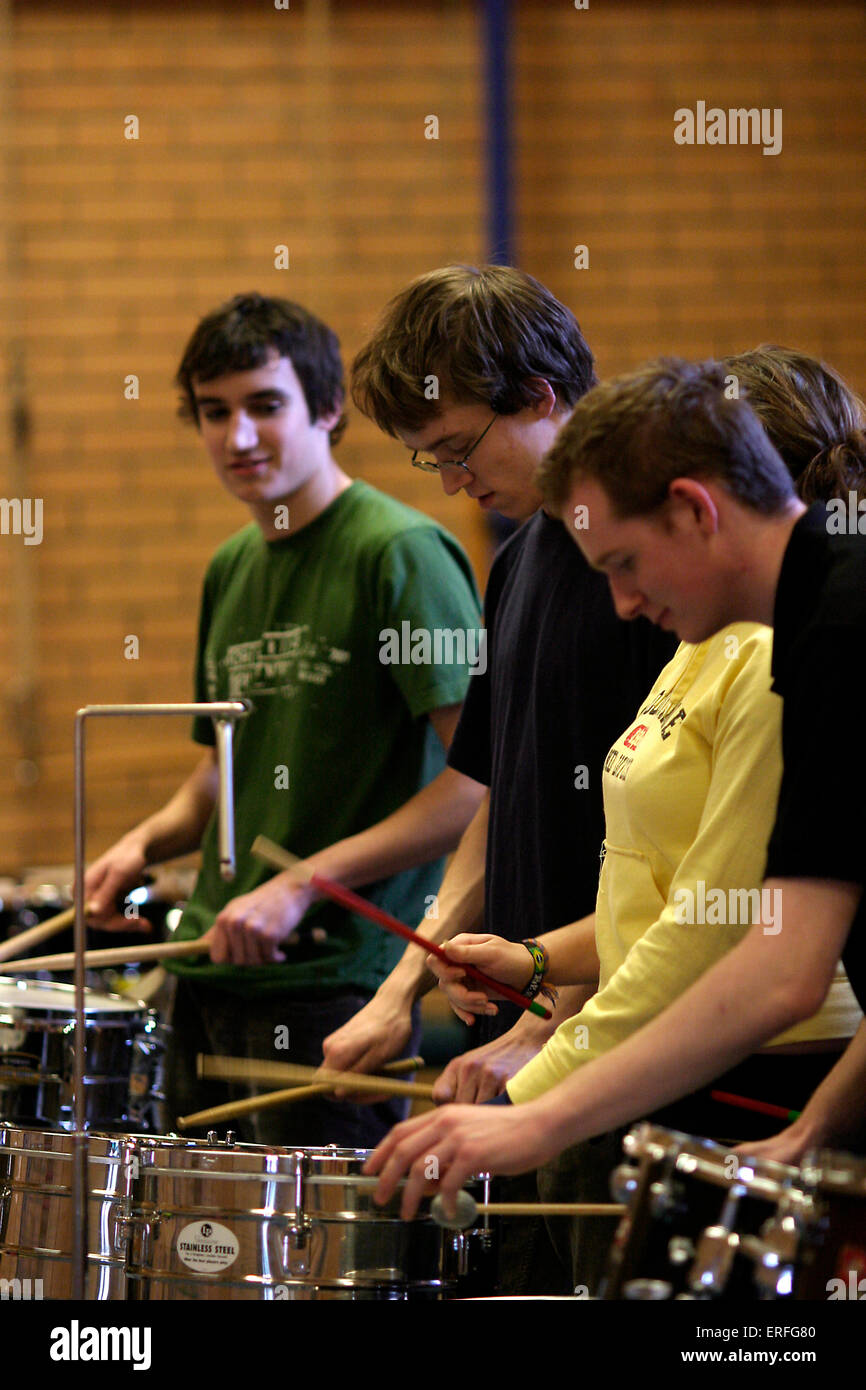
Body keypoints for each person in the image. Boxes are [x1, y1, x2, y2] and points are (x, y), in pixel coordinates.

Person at [365, 353, 866, 1223]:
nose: (625, 603)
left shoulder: (840, 628)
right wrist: (818, 1126)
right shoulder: (810, 620)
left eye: (626, 563)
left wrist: (544, 1110)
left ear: (694, 510)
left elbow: (780, 973)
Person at [83, 291, 484, 1147]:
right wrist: (143, 844)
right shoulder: (231, 565)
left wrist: (303, 882)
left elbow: (476, 784)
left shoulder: (399, 554)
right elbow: (220, 769)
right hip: (213, 970)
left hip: (341, 982)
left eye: (265, 406)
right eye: (213, 412)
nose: (237, 438)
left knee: (320, 1277)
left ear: (329, 408)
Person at [342, 264, 676, 1290]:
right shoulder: (517, 559)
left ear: (538, 396)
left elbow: (683, 862)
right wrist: (410, 977)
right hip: (527, 1047)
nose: (449, 482)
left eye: (456, 450)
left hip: (621, 1047)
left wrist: (553, 1015)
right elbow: (490, 788)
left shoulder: (655, 577)